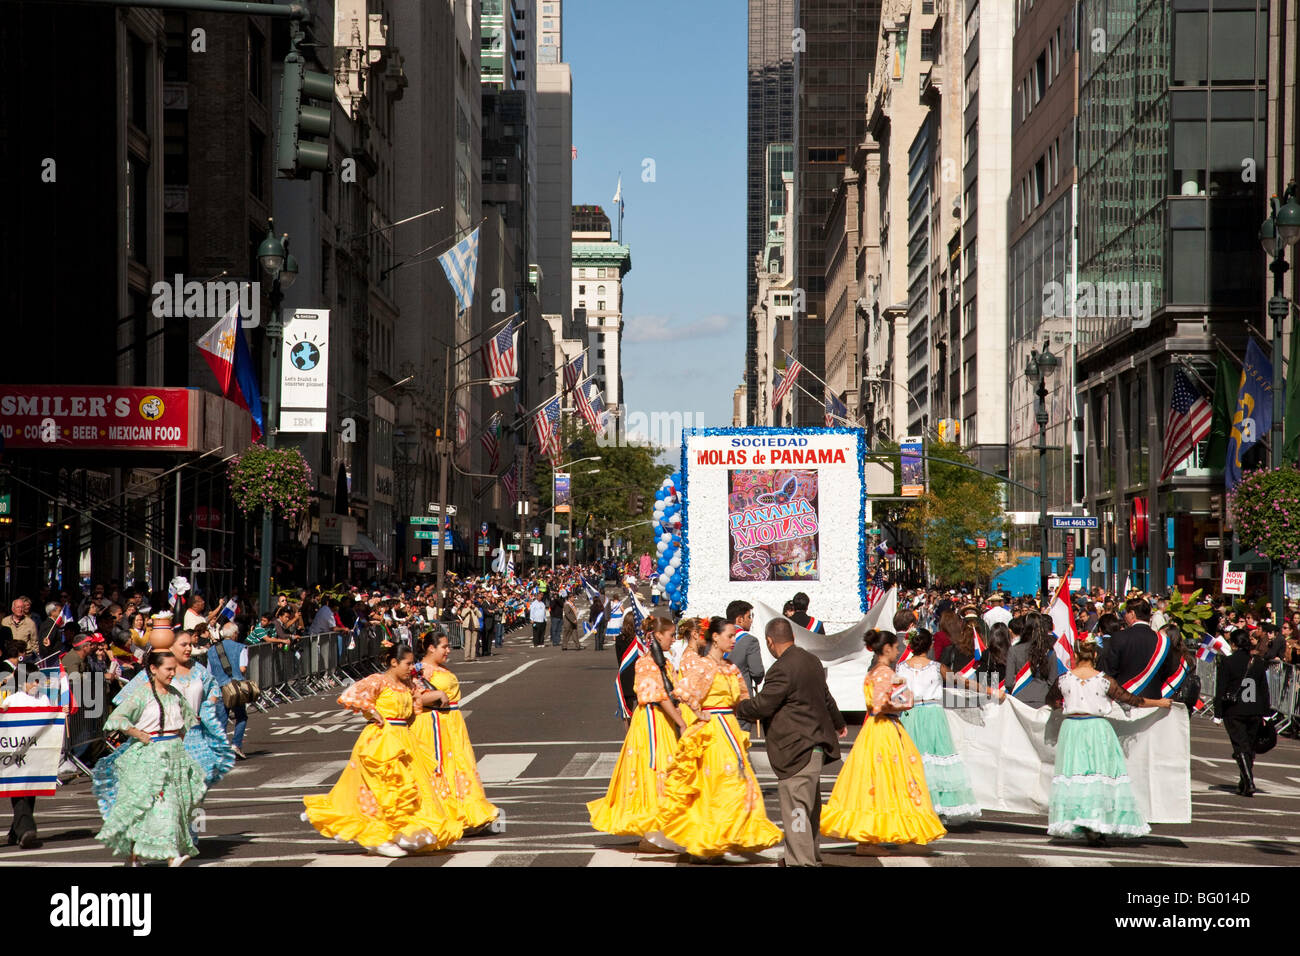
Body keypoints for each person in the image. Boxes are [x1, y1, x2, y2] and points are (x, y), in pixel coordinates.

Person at [302, 644, 463, 856]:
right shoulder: (378, 680)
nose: (411, 668)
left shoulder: (408, 685)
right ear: (394, 662)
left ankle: (403, 831)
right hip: (381, 741)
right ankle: (379, 837)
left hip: (404, 740)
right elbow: (351, 694)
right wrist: (371, 711)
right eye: (407, 664)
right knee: (383, 789)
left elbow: (415, 707)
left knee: (409, 788)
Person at [644, 617, 783, 862]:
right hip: (712, 731)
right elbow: (683, 691)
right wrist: (699, 713)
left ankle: (723, 838)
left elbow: (742, 699)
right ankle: (707, 840)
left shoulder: (731, 668)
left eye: (734, 636)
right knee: (715, 784)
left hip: (730, 729)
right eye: (729, 636)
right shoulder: (703, 665)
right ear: (715, 638)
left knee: (736, 782)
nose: (733, 640)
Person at [733, 617, 847, 867]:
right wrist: (839, 723)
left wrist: (738, 707)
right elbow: (826, 697)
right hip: (816, 744)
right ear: (793, 637)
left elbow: (764, 704)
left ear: (770, 641)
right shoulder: (811, 660)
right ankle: (809, 857)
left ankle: (801, 862)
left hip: (796, 748)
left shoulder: (782, 668)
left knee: (797, 810)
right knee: (809, 810)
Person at [821, 629, 947, 850]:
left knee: (874, 780)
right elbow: (881, 704)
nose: (898, 651)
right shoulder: (885, 673)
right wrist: (903, 703)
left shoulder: (874, 672)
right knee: (887, 779)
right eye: (896, 648)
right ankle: (874, 837)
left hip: (876, 728)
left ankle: (870, 838)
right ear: (886, 648)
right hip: (884, 728)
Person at [1045, 636, 1171, 844]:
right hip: (1097, 728)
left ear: (1075, 654)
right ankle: (1097, 821)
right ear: (1095, 655)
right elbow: (1132, 700)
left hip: (1072, 728)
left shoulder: (1064, 679)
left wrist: (1066, 704)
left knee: (1074, 774)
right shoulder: (1104, 680)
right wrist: (1159, 702)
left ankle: (1081, 819)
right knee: (1098, 775)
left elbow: (1050, 700)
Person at [96, 630, 235, 812]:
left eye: (190, 644)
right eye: (183, 645)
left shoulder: (198, 669)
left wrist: (207, 706)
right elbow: (122, 700)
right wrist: (142, 729)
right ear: (170, 647)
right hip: (159, 742)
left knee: (189, 795)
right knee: (164, 797)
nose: (189, 648)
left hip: (192, 739)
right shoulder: (154, 672)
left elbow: (213, 687)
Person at [95, 650, 207, 866]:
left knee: (174, 806)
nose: (173, 673)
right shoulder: (141, 694)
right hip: (149, 757)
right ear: (154, 669)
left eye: (174, 669)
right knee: (158, 806)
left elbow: (188, 718)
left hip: (175, 756)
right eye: (168, 669)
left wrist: (180, 739)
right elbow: (116, 718)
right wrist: (139, 734)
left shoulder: (175, 694)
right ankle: (170, 856)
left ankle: (137, 857)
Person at [589, 616, 687, 839]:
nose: (673, 639)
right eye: (671, 635)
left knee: (666, 769)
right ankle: (653, 828)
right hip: (651, 721)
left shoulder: (664, 662)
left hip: (663, 720)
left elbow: (672, 692)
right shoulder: (645, 663)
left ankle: (664, 826)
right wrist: (680, 720)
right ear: (658, 635)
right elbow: (658, 696)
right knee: (654, 770)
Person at [895, 628, 999, 825]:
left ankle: (911, 803)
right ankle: (937, 805)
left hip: (910, 714)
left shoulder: (900, 668)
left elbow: (895, 694)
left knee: (912, 760)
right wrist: (991, 691)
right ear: (929, 646)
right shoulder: (936, 667)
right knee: (936, 759)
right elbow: (962, 682)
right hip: (932, 715)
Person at [410, 632, 499, 831]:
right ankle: (448, 815)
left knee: (460, 765)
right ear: (431, 648)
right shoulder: (422, 670)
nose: (448, 650)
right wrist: (438, 694)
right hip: (437, 722)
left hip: (451, 722)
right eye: (444, 647)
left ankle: (466, 813)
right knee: (443, 767)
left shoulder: (438, 668)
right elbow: (414, 697)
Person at [1216, 629, 1271, 797]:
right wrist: (1266, 712)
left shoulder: (1228, 662)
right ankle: (1244, 781)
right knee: (1249, 746)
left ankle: (1248, 781)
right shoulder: (1258, 662)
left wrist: (1218, 713)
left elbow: (1221, 688)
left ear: (1233, 644)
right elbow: (1264, 689)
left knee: (1240, 745)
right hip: (1254, 709)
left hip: (1234, 709)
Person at [1, 662, 49, 849]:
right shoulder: (13, 700)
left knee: (30, 791)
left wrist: (61, 712)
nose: (36, 683)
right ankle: (26, 830)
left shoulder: (43, 698)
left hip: (36, 752)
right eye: (32, 680)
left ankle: (16, 831)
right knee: (20, 790)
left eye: (38, 680)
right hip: (16, 754)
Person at [1098, 598, 1171, 696]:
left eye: (1126, 613)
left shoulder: (1119, 637)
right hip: (1154, 699)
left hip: (1125, 698)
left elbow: (1108, 672)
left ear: (1132, 614)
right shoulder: (1164, 641)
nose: (1125, 616)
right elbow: (1166, 672)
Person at [205, 622, 249, 760]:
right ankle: (236, 744)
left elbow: (209, 672)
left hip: (218, 687)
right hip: (234, 687)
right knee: (241, 716)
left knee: (221, 720)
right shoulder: (241, 647)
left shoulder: (212, 650)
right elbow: (242, 668)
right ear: (235, 634)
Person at [726, 601, 764, 733]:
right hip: (741, 699)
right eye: (749, 616)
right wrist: (758, 679)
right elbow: (757, 672)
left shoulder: (717, 638)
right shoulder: (750, 641)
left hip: (720, 699)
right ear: (740, 619)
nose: (751, 620)